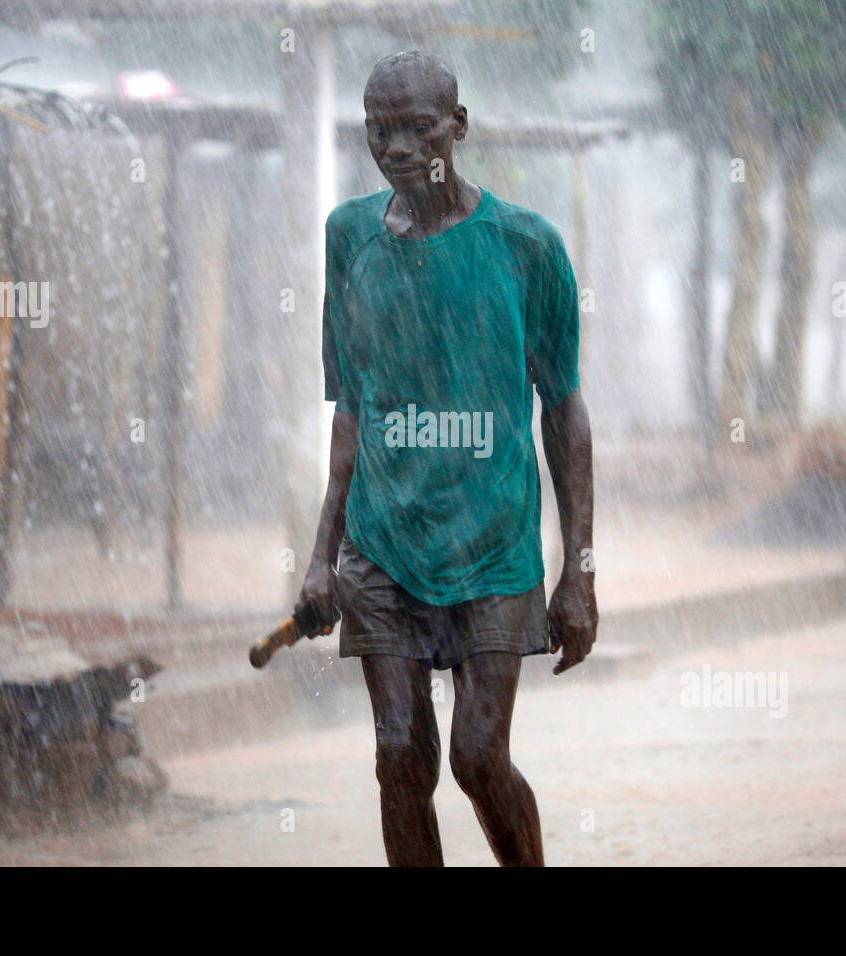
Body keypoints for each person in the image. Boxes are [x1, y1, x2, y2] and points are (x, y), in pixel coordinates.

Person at [299, 49, 597, 867]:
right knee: (399, 758)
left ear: (458, 127)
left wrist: (579, 570)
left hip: (494, 549)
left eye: (416, 128)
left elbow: (564, 409)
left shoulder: (526, 246)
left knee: (477, 758)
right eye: (377, 130)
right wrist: (322, 557)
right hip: (381, 545)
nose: (394, 147)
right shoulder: (348, 238)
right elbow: (351, 409)